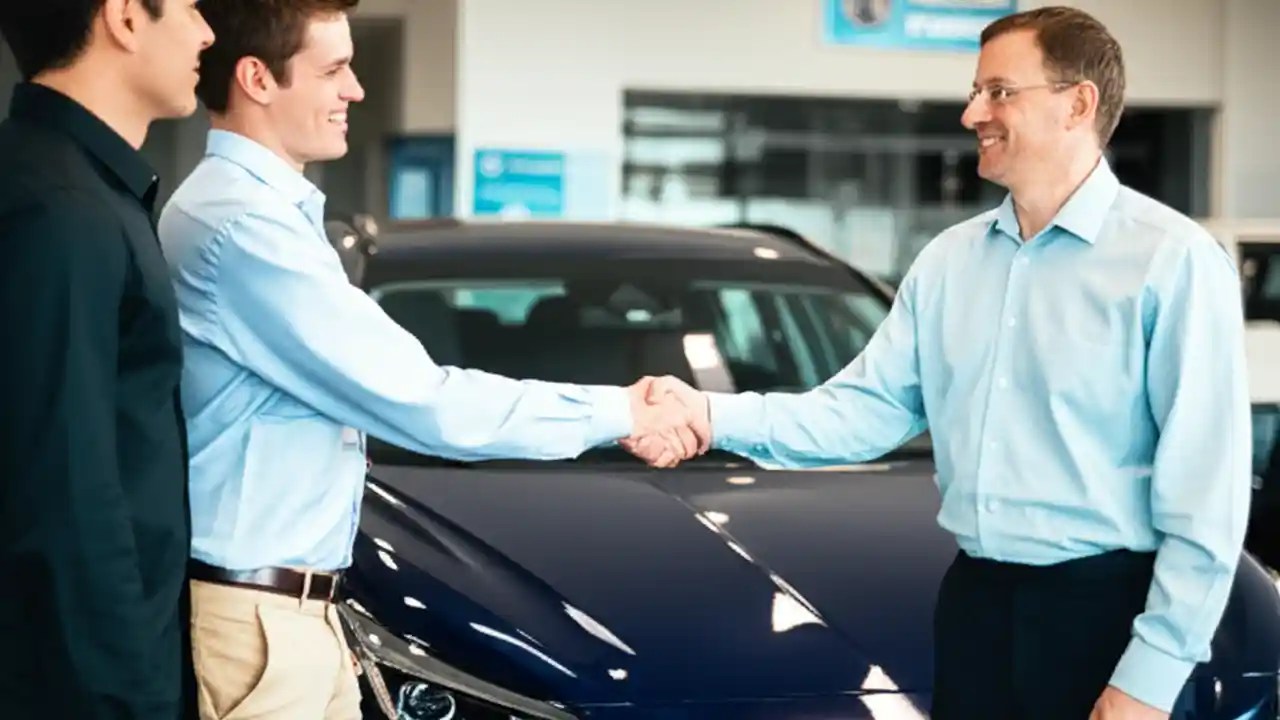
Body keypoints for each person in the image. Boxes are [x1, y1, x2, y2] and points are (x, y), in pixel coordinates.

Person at [635, 6, 1251, 720]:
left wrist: (1151, 674)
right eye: (974, 91)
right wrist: (709, 412)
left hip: (1105, 613)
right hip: (975, 607)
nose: (971, 114)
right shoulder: (950, 262)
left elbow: (1206, 495)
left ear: (1077, 103)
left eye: (998, 91)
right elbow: (861, 414)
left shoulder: (1171, 262)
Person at [156, 1, 697, 717]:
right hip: (260, 622)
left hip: (290, 612)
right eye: (334, 70)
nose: (355, 91)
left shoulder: (255, 214)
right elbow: (423, 401)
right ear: (257, 77)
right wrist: (619, 409)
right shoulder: (243, 229)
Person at [0, 2, 214, 719]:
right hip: (89, 685)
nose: (208, 33)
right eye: (190, 8)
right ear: (125, 17)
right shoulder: (61, 209)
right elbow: (66, 494)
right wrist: (131, 696)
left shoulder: (80, 190)